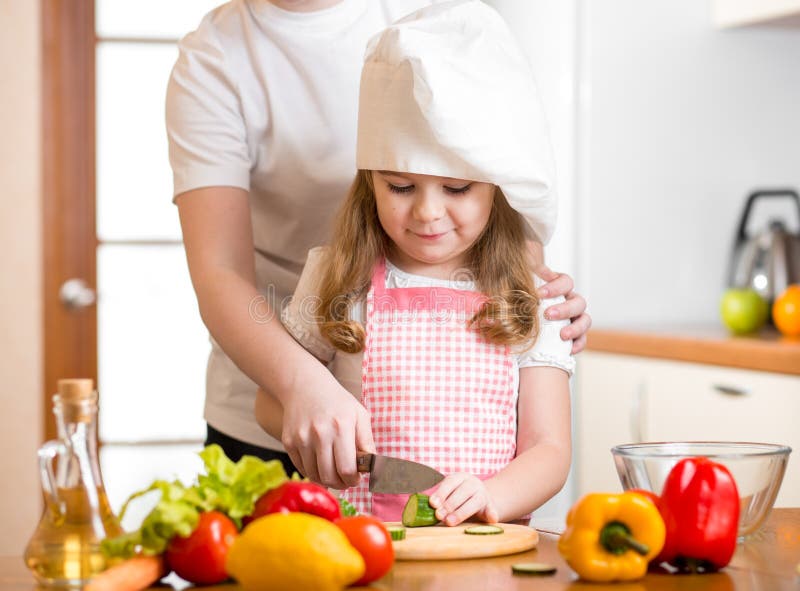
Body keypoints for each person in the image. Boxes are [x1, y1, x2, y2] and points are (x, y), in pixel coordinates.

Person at [167, 0, 590, 489]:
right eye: (400, 186)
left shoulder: (436, 16)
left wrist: (538, 291)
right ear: (371, 184)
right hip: (276, 401)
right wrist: (302, 384)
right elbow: (220, 271)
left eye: (455, 189)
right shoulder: (215, 56)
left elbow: (547, 445)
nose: (429, 212)